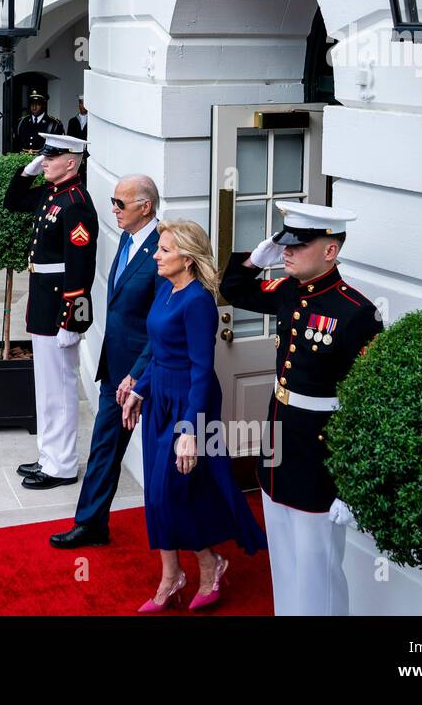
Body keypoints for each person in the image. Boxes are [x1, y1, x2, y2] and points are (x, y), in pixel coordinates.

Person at [220, 201, 383, 616]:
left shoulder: (356, 312)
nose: (287, 252)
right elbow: (233, 289)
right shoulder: (289, 291)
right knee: (285, 563)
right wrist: (259, 256)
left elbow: (367, 406)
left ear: (330, 250)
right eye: (284, 243)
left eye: (298, 244)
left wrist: (349, 482)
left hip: (321, 460)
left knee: (318, 571)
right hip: (279, 446)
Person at [121, 220, 267, 612]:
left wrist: (190, 429)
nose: (156, 254)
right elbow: (158, 349)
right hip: (159, 397)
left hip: (190, 399)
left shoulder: (199, 301)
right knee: (156, 491)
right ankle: (172, 576)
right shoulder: (166, 288)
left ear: (187, 258)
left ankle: (210, 563)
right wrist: (139, 389)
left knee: (174, 490)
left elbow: (202, 369)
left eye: (165, 249)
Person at [51, 175, 162, 548]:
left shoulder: (165, 249)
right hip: (116, 371)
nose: (113, 209)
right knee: (103, 449)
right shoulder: (128, 238)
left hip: (151, 374)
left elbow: (161, 323)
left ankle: (196, 539)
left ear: (145, 207)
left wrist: (138, 375)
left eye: (120, 203)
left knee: (169, 460)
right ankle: (91, 524)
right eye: (113, 201)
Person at [5, 132, 97, 490]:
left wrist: (73, 320)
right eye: (44, 155)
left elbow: (80, 267)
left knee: (59, 388)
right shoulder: (52, 192)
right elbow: (13, 201)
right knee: (46, 387)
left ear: (71, 162)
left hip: (59, 307)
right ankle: (48, 455)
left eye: (51, 156)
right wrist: (27, 171)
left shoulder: (76, 203)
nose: (44, 160)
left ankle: (62, 465)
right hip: (42, 302)